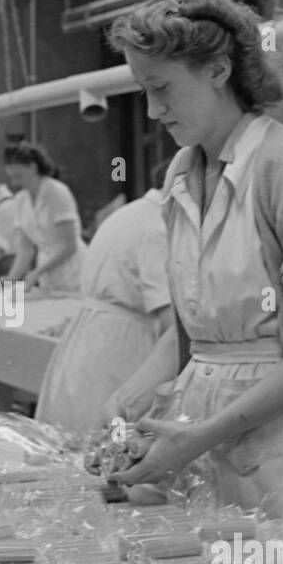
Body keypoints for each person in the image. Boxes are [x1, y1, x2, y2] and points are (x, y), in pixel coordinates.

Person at [103, 0, 283, 524]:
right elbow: (188, 334)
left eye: (162, 88)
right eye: (142, 91)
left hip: (281, 440)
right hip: (197, 429)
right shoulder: (180, 172)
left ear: (218, 70)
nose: (152, 110)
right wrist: (125, 401)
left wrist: (203, 436)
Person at [36, 163, 175, 437]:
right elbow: (170, 321)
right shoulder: (158, 226)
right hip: (122, 346)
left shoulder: (127, 213)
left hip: (89, 338)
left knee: (78, 436)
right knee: (113, 440)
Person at [3, 142, 87, 293]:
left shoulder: (57, 192)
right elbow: (26, 249)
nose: (15, 182)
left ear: (33, 168)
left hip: (74, 272)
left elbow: (69, 246)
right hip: (45, 276)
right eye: (12, 177)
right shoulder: (20, 200)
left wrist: (38, 271)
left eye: (19, 176)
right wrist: (10, 279)